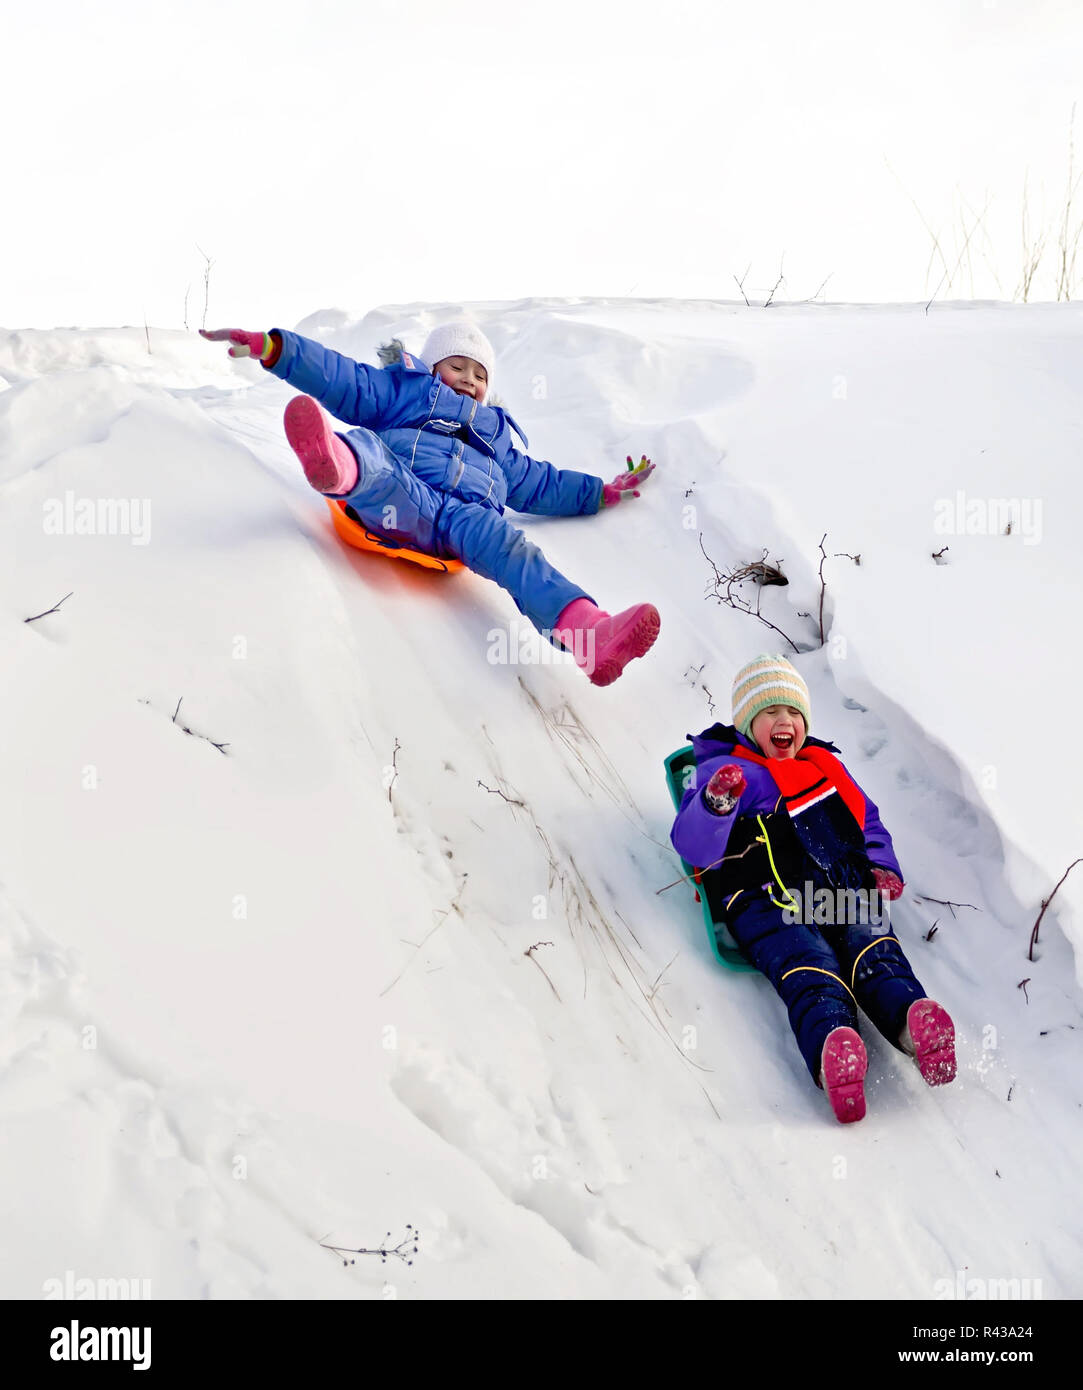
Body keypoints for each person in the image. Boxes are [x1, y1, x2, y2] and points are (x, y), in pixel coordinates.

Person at [201, 320, 659, 686]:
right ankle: (335, 463)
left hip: (468, 521)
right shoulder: (405, 393)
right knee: (376, 460)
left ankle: (591, 636)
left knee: (515, 550)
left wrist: (600, 491)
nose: (469, 380)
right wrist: (276, 349)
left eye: (480, 374)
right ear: (432, 365)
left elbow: (541, 483)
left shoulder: (498, 438)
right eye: (458, 366)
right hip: (409, 494)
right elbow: (343, 377)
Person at [670, 654, 956, 1123]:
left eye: (794, 714)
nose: (784, 722)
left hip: (838, 886)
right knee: (809, 963)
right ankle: (833, 1049)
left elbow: (868, 823)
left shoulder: (824, 767)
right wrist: (716, 804)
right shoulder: (728, 772)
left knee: (872, 944)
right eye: (770, 714)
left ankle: (912, 1022)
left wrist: (881, 865)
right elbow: (692, 844)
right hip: (767, 900)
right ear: (747, 724)